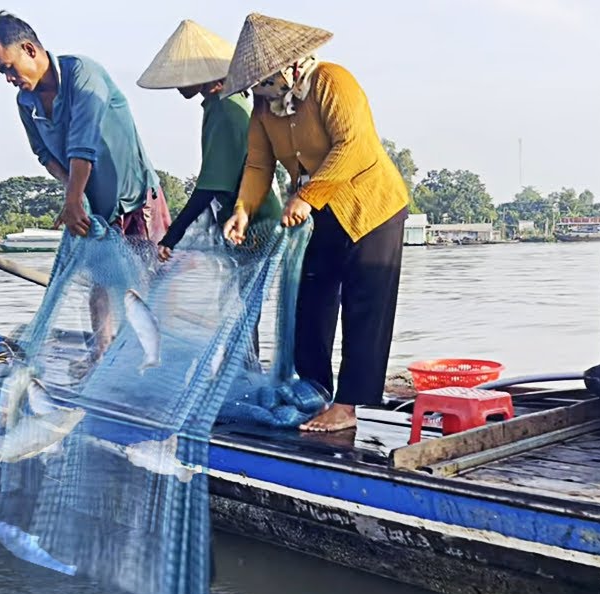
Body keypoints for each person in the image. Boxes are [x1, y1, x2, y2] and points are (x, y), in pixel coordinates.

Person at [221, 13, 409, 433]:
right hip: (316, 211)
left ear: (289, 68)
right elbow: (258, 163)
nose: (259, 91)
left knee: (364, 304)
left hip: (370, 207)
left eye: (264, 81)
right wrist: (243, 210)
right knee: (311, 297)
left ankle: (348, 404)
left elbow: (353, 147)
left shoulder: (332, 82)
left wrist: (307, 195)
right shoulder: (264, 109)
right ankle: (314, 388)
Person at [0, 11, 169, 356]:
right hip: (94, 208)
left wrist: (72, 200)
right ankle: (102, 353)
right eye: (1, 72)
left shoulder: (82, 74)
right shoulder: (26, 102)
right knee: (99, 280)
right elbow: (45, 155)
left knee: (142, 281)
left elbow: (84, 145)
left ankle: (148, 359)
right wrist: (75, 195)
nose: (8, 78)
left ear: (30, 50)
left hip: (132, 199)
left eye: (9, 67)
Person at [136, 19, 282, 262]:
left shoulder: (225, 109)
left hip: (255, 224)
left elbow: (210, 186)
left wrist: (172, 236)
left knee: (251, 297)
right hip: (244, 222)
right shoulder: (225, 102)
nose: (177, 84)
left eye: (184, 76)